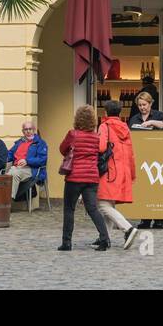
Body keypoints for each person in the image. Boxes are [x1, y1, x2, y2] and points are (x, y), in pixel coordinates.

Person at [57, 105, 110, 251]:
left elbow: (62, 149)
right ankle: (105, 239)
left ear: (77, 119)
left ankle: (67, 242)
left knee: (69, 209)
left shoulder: (73, 134)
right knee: (92, 209)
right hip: (91, 177)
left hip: (74, 177)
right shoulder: (96, 137)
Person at [95, 100, 139, 249]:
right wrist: (132, 174)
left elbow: (101, 147)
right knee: (109, 204)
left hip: (109, 171)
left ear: (106, 112)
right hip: (123, 171)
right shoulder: (125, 128)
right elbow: (131, 154)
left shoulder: (104, 126)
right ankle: (105, 237)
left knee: (102, 205)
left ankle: (128, 228)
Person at [4, 120, 48, 203]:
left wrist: (27, 161)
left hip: (31, 169)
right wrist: (3, 159)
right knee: (7, 175)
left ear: (34, 130)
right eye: (26, 129)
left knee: (13, 174)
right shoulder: (19, 142)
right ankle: (4, 200)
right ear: (23, 131)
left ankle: (8, 201)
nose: (28, 131)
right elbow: (10, 154)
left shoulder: (40, 143)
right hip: (16, 168)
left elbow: (42, 159)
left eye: (30, 129)